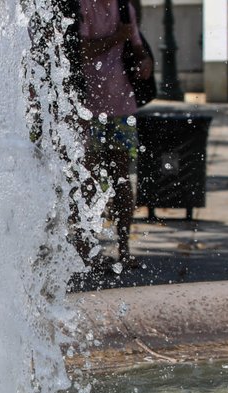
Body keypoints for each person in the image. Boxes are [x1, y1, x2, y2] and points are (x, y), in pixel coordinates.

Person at [77, 0, 152, 270]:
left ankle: (124, 248)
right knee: (89, 180)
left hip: (121, 106)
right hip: (88, 108)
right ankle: (89, 250)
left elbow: (138, 48)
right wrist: (116, 37)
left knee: (121, 178)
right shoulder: (83, 6)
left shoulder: (123, 7)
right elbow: (81, 51)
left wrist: (145, 62)